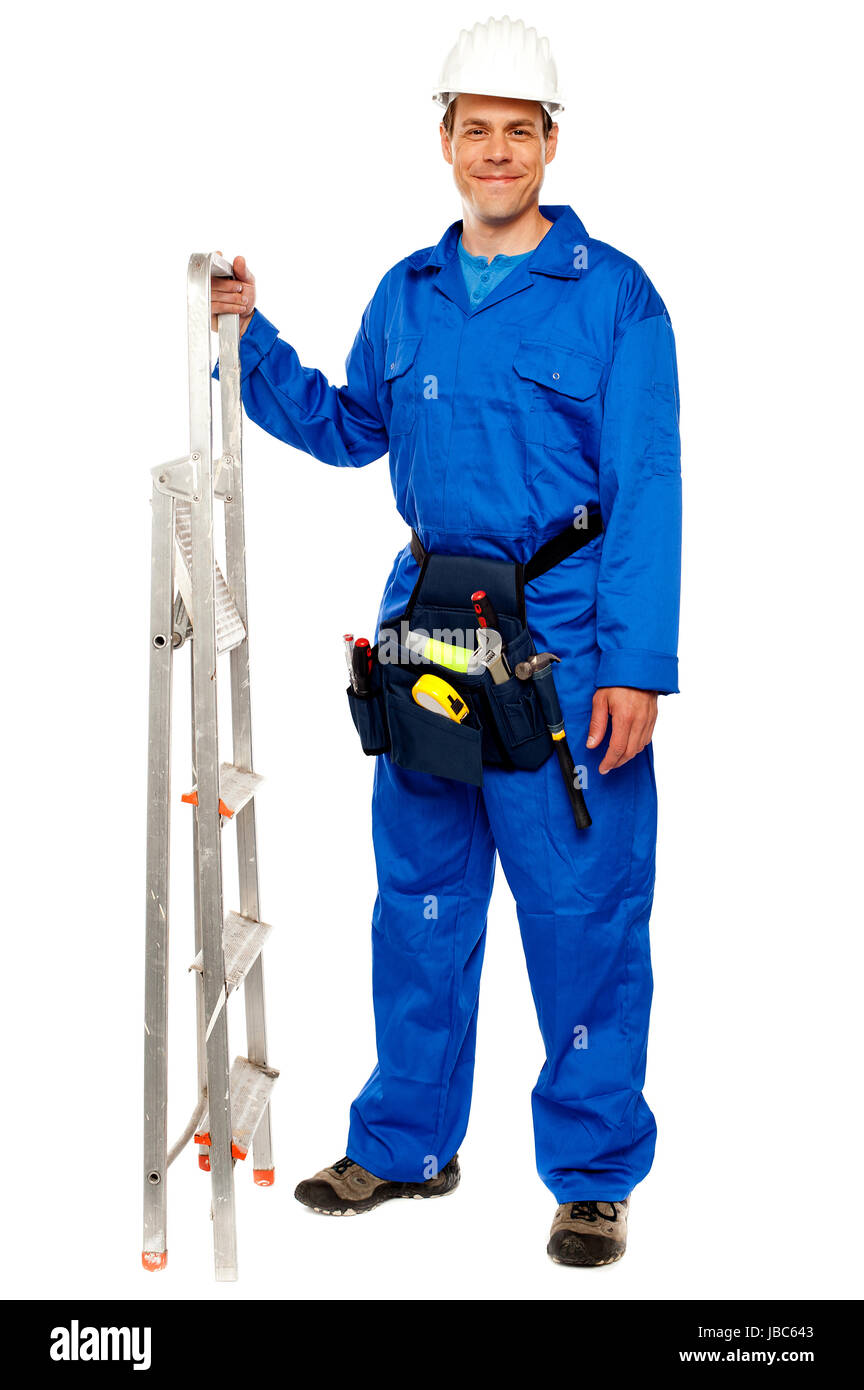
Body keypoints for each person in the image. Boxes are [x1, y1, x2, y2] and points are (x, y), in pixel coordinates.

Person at [212, 16, 681, 1267]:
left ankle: (591, 1173)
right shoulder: (407, 292)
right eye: (473, 130)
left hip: (564, 652)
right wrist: (246, 339)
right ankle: (409, 1140)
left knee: (581, 912)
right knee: (418, 902)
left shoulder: (614, 297)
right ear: (445, 142)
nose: (494, 152)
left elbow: (647, 482)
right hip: (425, 637)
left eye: (516, 131)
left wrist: (637, 662)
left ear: (549, 144)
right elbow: (349, 424)